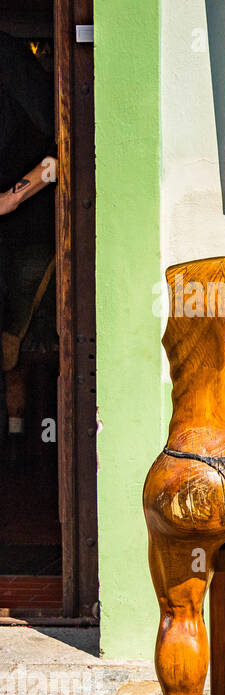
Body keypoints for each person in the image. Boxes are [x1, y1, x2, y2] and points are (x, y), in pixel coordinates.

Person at [0, 31, 57, 442]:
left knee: (15, 343)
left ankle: (21, 442)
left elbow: (65, 142)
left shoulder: (9, 59)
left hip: (24, 236)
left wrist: (10, 198)